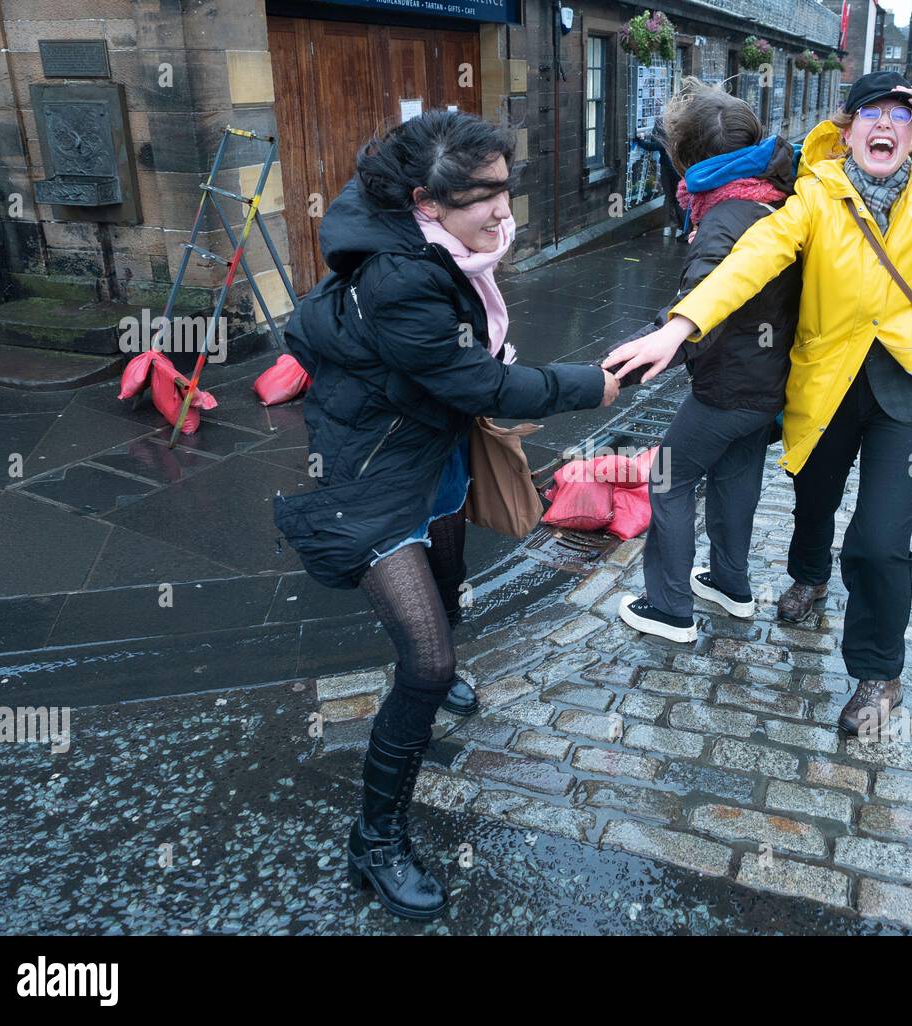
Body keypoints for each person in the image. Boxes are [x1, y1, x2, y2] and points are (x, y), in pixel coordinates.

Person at [604, 72, 912, 734]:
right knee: (814, 501)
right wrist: (681, 324)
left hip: (906, 393)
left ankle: (878, 677)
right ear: (847, 129)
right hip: (829, 386)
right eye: (872, 113)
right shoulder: (816, 195)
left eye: (902, 116)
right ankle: (808, 579)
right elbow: (752, 255)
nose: (886, 126)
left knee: (879, 543)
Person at [275, 111, 619, 920]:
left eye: (508, 189)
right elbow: (485, 385)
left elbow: (465, 371)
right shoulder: (401, 279)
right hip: (373, 477)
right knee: (423, 664)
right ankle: (376, 839)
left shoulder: (441, 248)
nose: (505, 212)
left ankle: (442, 675)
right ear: (428, 202)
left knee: (451, 576)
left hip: (432, 454)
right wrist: (594, 382)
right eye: (486, 200)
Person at [615, 77, 802, 644]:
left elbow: (702, 303)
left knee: (667, 478)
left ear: (688, 158)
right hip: (769, 383)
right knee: (736, 474)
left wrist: (645, 348)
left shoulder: (723, 216)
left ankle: (669, 609)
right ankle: (730, 585)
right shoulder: (777, 199)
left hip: (727, 386)